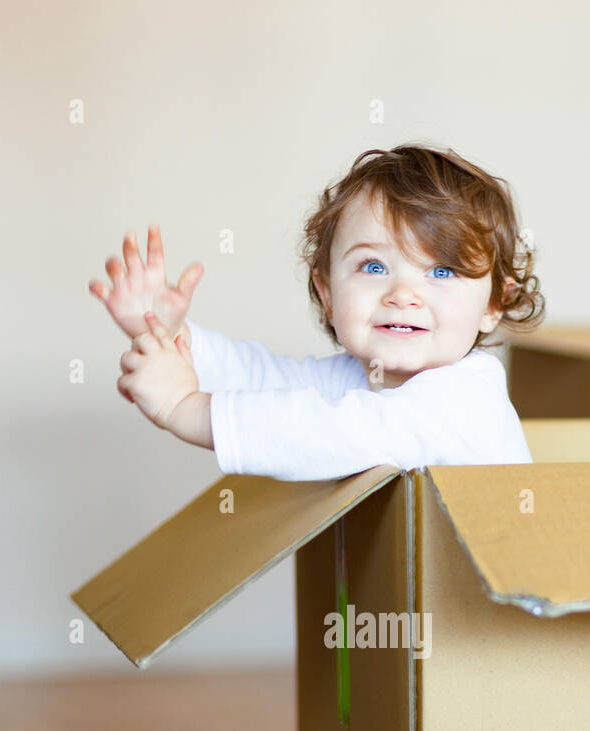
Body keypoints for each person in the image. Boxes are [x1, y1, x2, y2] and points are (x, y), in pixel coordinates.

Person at [88, 143, 545, 481]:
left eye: (442, 271)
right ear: (327, 292)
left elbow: (332, 433)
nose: (403, 294)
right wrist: (169, 335)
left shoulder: (467, 400)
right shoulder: (357, 379)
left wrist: (186, 410)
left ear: (492, 305)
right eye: (373, 266)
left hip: (486, 609)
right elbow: (264, 379)